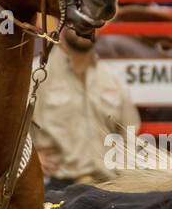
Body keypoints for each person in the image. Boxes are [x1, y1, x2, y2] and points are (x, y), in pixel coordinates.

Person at [32, 23, 141, 191]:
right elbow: (12, 128)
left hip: (107, 188)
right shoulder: (37, 73)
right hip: (55, 187)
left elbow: (130, 135)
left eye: (92, 21)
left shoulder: (112, 78)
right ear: (60, 23)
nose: (85, 26)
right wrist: (30, 159)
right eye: (77, 19)